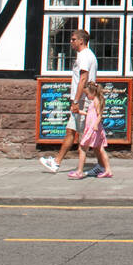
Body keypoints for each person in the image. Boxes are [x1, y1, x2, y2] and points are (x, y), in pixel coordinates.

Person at [40, 29, 97, 173]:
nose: (71, 42)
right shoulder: (85, 55)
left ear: (81, 41)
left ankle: (102, 165)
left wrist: (76, 101)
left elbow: (83, 79)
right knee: (72, 131)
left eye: (73, 39)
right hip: (81, 99)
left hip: (83, 100)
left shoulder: (84, 56)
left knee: (88, 136)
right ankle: (57, 162)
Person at [69, 81, 112, 179]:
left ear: (93, 92)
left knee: (83, 148)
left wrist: (96, 125)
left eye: (87, 94)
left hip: (93, 128)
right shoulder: (94, 101)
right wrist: (79, 111)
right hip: (93, 128)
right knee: (100, 149)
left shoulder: (96, 101)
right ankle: (107, 170)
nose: (87, 96)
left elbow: (99, 115)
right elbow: (90, 114)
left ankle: (79, 171)